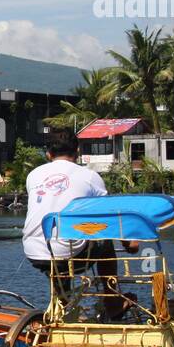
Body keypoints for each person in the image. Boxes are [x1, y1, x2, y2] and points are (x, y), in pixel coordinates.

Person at [21, 134, 133, 318]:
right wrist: (128, 243)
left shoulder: (33, 175)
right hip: (66, 252)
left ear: (48, 154)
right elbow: (110, 214)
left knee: (60, 254)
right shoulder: (90, 176)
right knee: (104, 242)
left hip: (33, 251)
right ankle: (112, 301)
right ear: (78, 152)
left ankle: (63, 307)